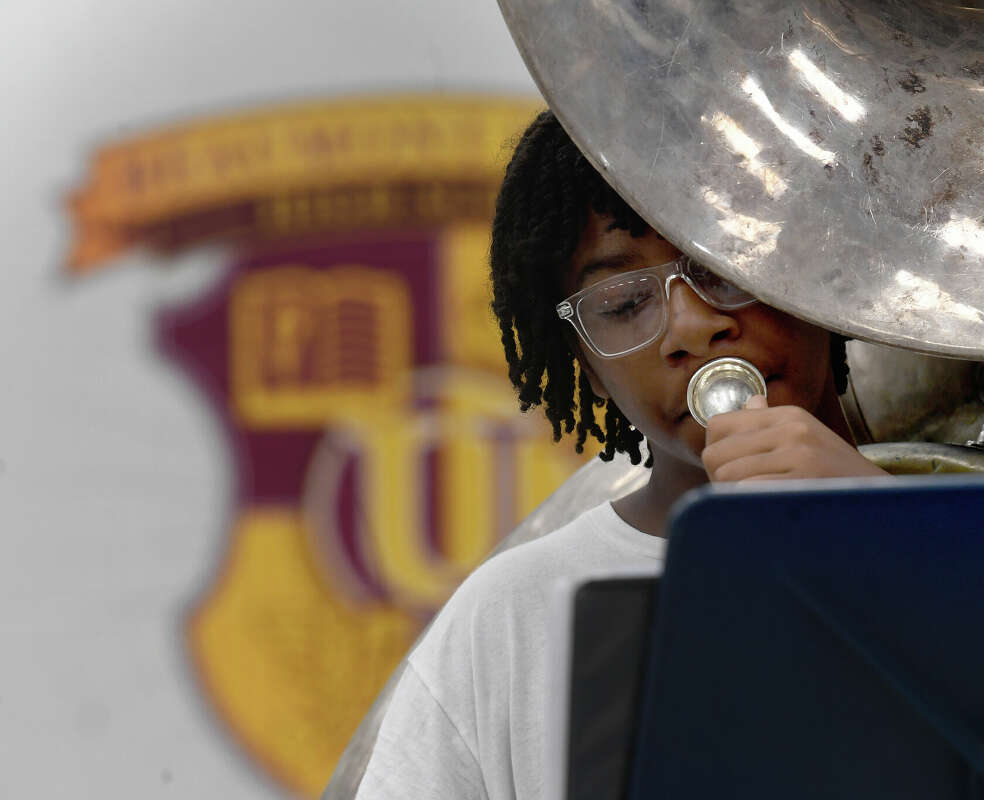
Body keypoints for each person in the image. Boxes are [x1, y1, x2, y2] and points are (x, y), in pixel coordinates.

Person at [353, 110, 886, 800]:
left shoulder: (978, 550)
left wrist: (893, 546)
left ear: (813, 270)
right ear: (589, 367)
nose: (690, 326)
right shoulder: (511, 614)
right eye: (626, 301)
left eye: (721, 263)